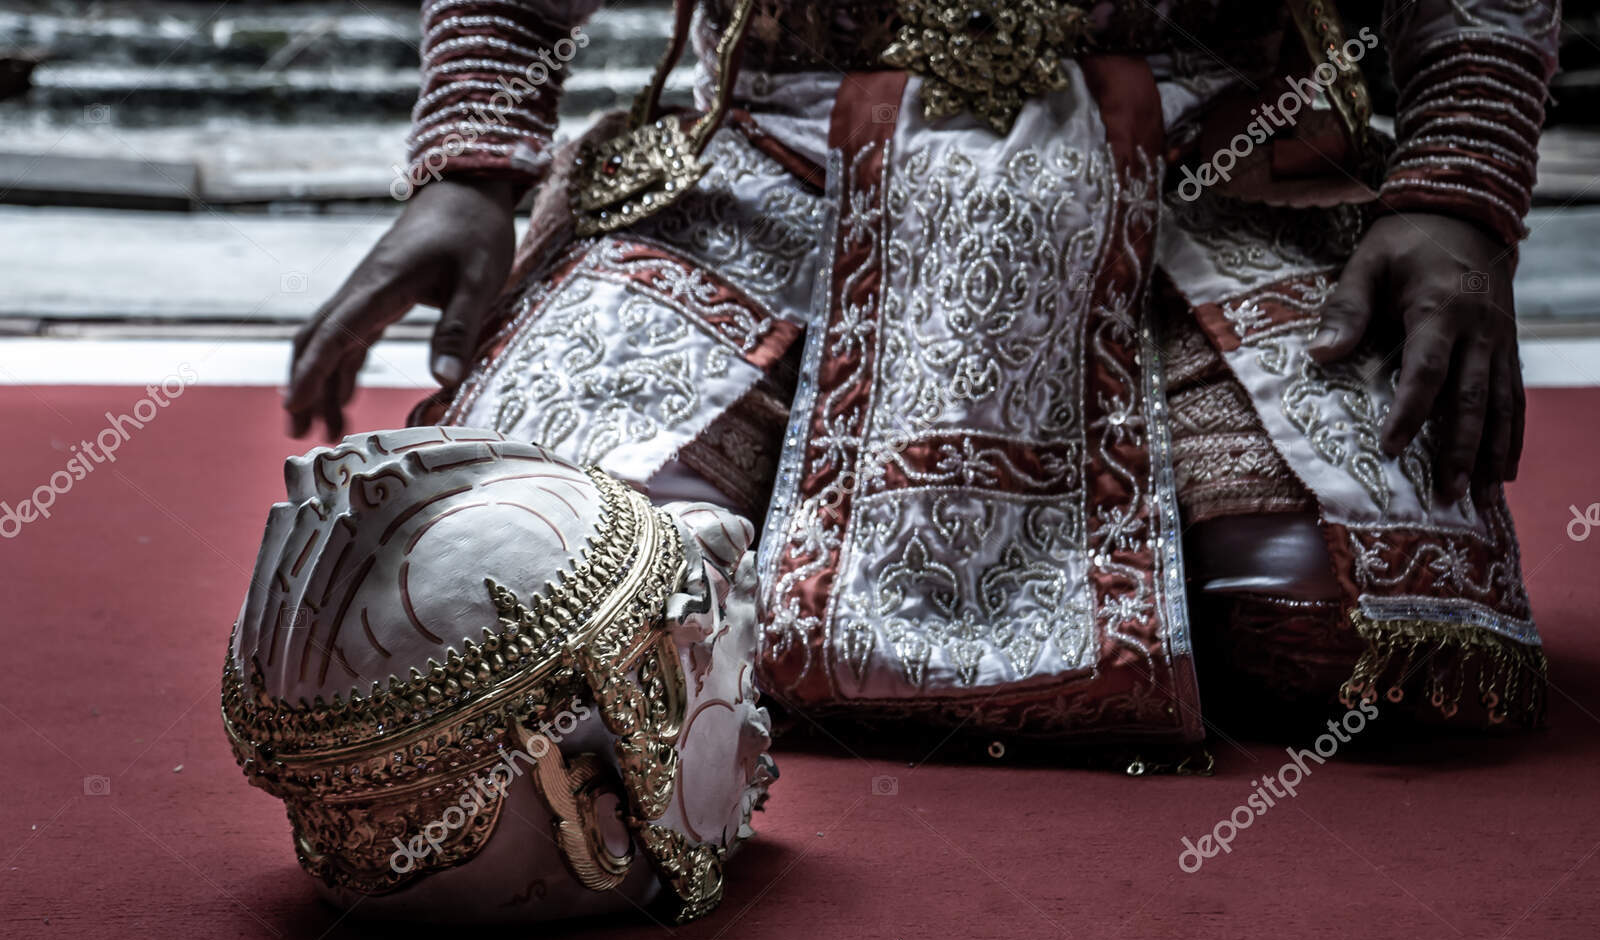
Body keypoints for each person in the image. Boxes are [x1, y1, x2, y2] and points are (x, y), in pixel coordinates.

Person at [282, 0, 1557, 761]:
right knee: (528, 587)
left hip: (1209, 169)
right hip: (774, 180)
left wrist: (1455, 188)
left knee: (1327, 629)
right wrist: (473, 163)